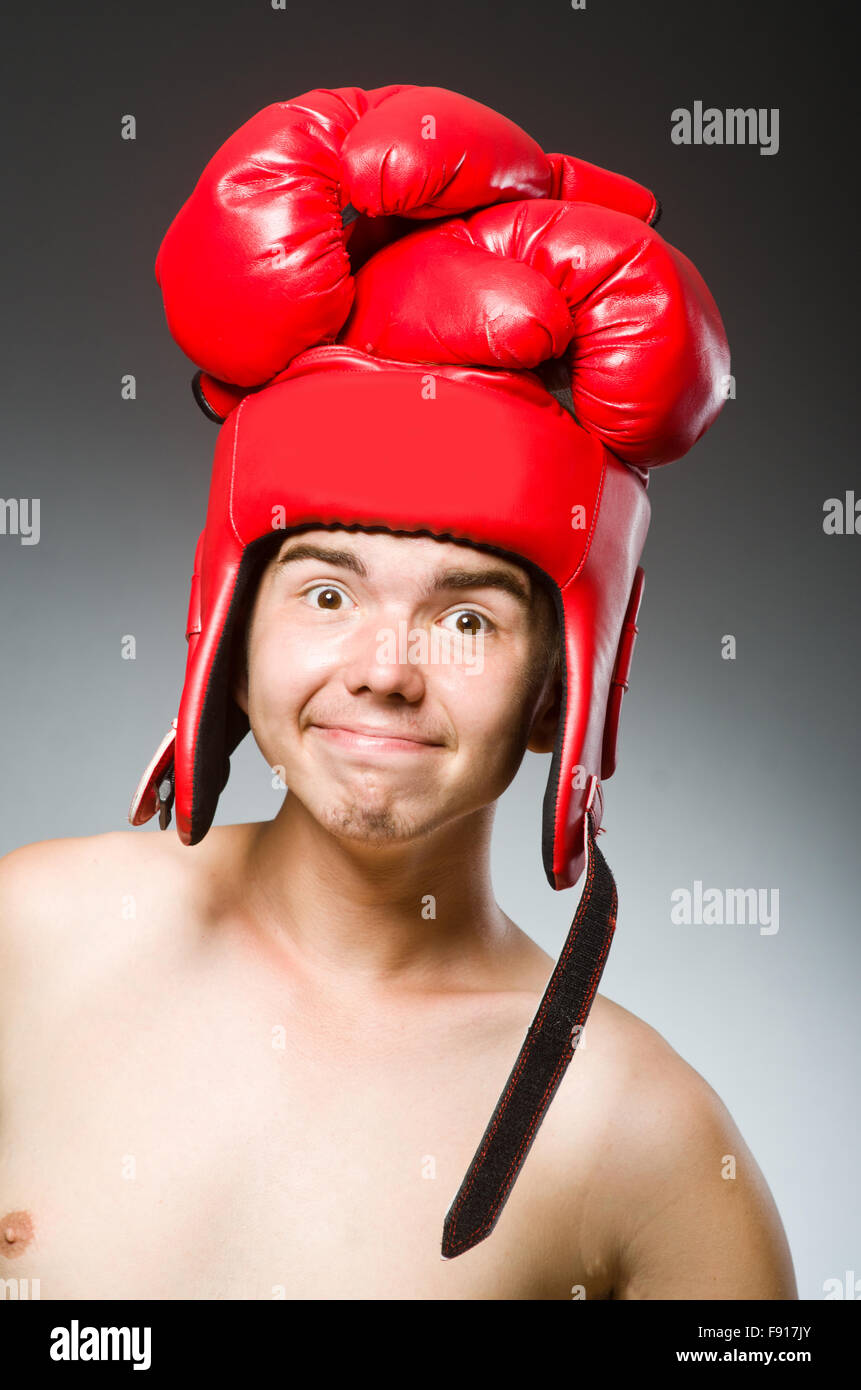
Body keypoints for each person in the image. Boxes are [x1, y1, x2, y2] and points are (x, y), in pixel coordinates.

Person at [0, 83, 797, 1299]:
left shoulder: (648, 1143)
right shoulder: (27, 942)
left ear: (558, 693)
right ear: (234, 625)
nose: (383, 666)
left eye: (467, 616)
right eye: (327, 593)